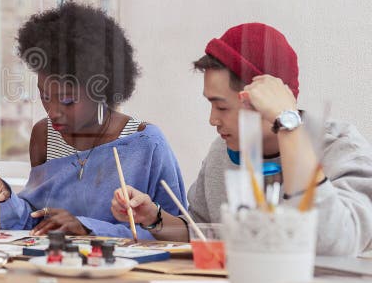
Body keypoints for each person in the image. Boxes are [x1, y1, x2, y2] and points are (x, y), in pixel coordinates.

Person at [112, 22, 372, 255]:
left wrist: (288, 124)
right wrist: (154, 217)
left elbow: (333, 245)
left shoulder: (341, 148)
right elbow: (204, 233)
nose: (212, 120)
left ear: (262, 101)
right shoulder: (222, 152)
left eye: (222, 107)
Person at [0, 2, 186, 237]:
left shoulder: (146, 144)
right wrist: (5, 201)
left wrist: (87, 229)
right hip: (52, 267)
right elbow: (35, 223)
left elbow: (180, 234)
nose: (53, 111)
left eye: (67, 101)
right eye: (44, 96)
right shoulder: (44, 136)